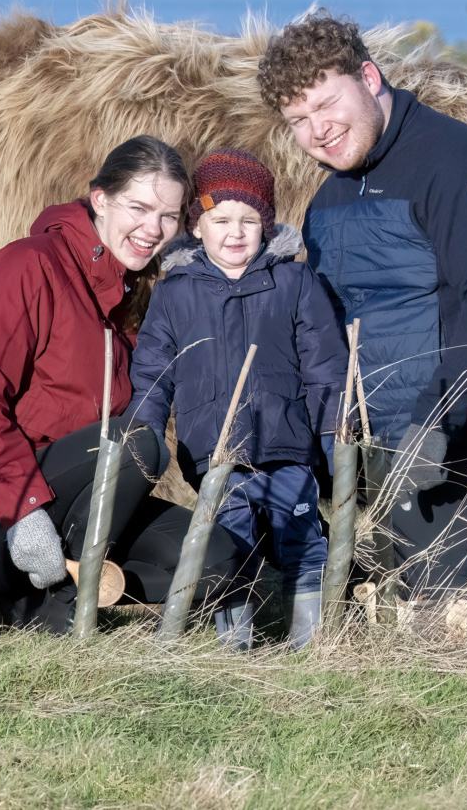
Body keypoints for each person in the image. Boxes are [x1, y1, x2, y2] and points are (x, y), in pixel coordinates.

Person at [257, 13, 467, 640]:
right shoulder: (330, 197)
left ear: (369, 78)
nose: (317, 131)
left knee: (455, 626)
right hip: (381, 440)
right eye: (298, 121)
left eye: (326, 104)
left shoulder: (461, 164)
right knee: (380, 611)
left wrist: (435, 421)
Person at [0, 136, 237, 635]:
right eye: (139, 207)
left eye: (169, 216)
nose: (153, 229)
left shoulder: (128, 294)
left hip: (82, 510)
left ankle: (65, 591)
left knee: (217, 560)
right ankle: (25, 604)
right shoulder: (28, 267)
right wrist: (23, 513)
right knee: (135, 442)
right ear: (100, 198)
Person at [127, 148, 347, 649]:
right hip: (215, 451)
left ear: (267, 226)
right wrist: (142, 432)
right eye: (220, 218)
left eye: (250, 220)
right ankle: (236, 644)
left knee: (302, 538)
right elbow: (154, 372)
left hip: (287, 445)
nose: (235, 231)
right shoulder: (176, 291)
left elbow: (324, 365)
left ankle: (309, 639)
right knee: (230, 544)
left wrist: (333, 433)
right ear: (197, 226)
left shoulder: (293, 281)